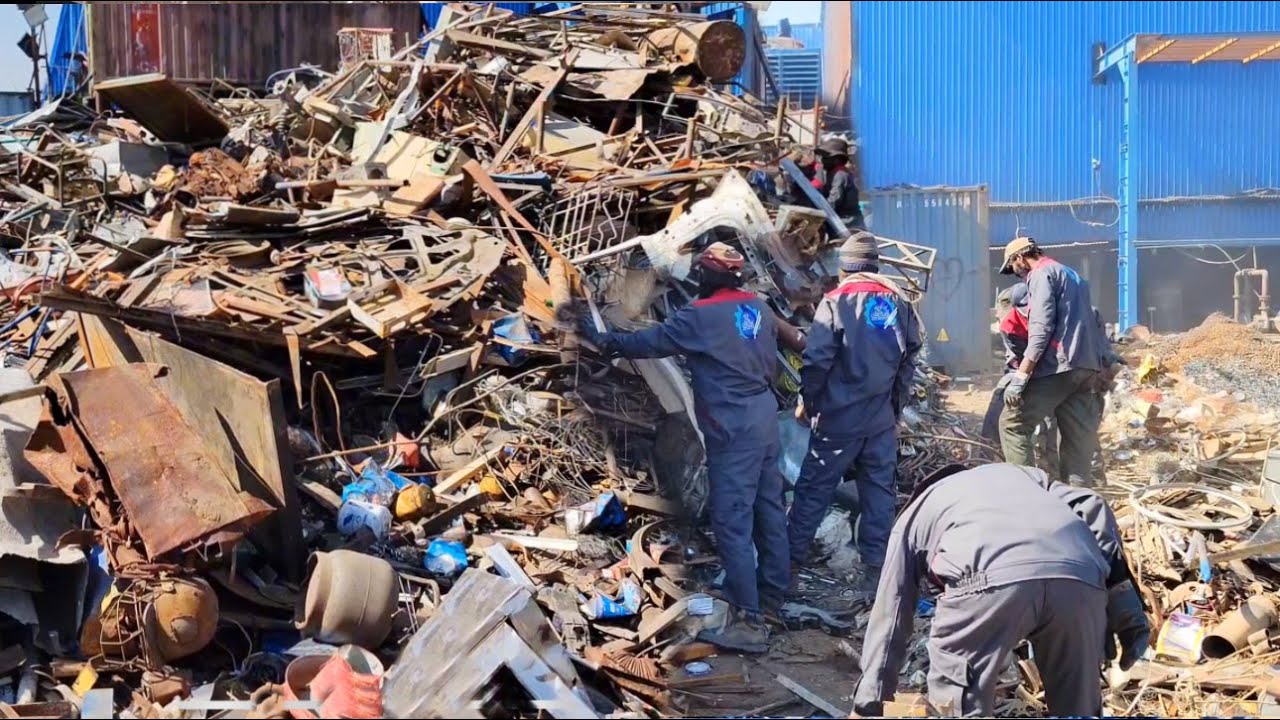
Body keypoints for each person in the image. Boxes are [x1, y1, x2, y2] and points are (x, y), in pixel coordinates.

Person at [571, 242, 788, 653]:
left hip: (732, 426)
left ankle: (750, 621)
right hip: (763, 417)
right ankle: (775, 598)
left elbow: (652, 342)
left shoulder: (700, 315)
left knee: (731, 520)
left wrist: (604, 339)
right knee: (768, 508)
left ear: (707, 275)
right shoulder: (758, 307)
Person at [852, 463, 1150, 718]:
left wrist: (869, 702)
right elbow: (1092, 504)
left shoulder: (916, 514)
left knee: (957, 702)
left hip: (986, 579)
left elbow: (892, 610)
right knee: (1078, 704)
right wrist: (1121, 598)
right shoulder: (1025, 476)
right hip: (1079, 576)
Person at [787, 232, 922, 592]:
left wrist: (808, 403)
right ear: (874, 265)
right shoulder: (900, 302)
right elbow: (909, 360)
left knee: (813, 490)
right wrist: (894, 411)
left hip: (837, 421)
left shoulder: (836, 302)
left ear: (844, 267)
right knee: (879, 494)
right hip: (879, 422)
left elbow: (817, 361)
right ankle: (876, 576)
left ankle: (789, 567)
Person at [997, 236, 1108, 486]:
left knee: (1013, 423)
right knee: (1077, 439)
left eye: (1013, 267)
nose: (1017, 275)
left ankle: (1028, 493)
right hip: (1085, 368)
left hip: (1059, 367)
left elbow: (1041, 328)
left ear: (1019, 257)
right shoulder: (1073, 275)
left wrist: (1021, 377)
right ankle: (1079, 499)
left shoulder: (1040, 274)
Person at [813, 138, 866, 231]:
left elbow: (834, 201)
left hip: (848, 223)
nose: (823, 160)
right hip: (840, 221)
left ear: (837, 160)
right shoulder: (830, 173)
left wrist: (816, 214)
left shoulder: (840, 175)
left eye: (826, 158)